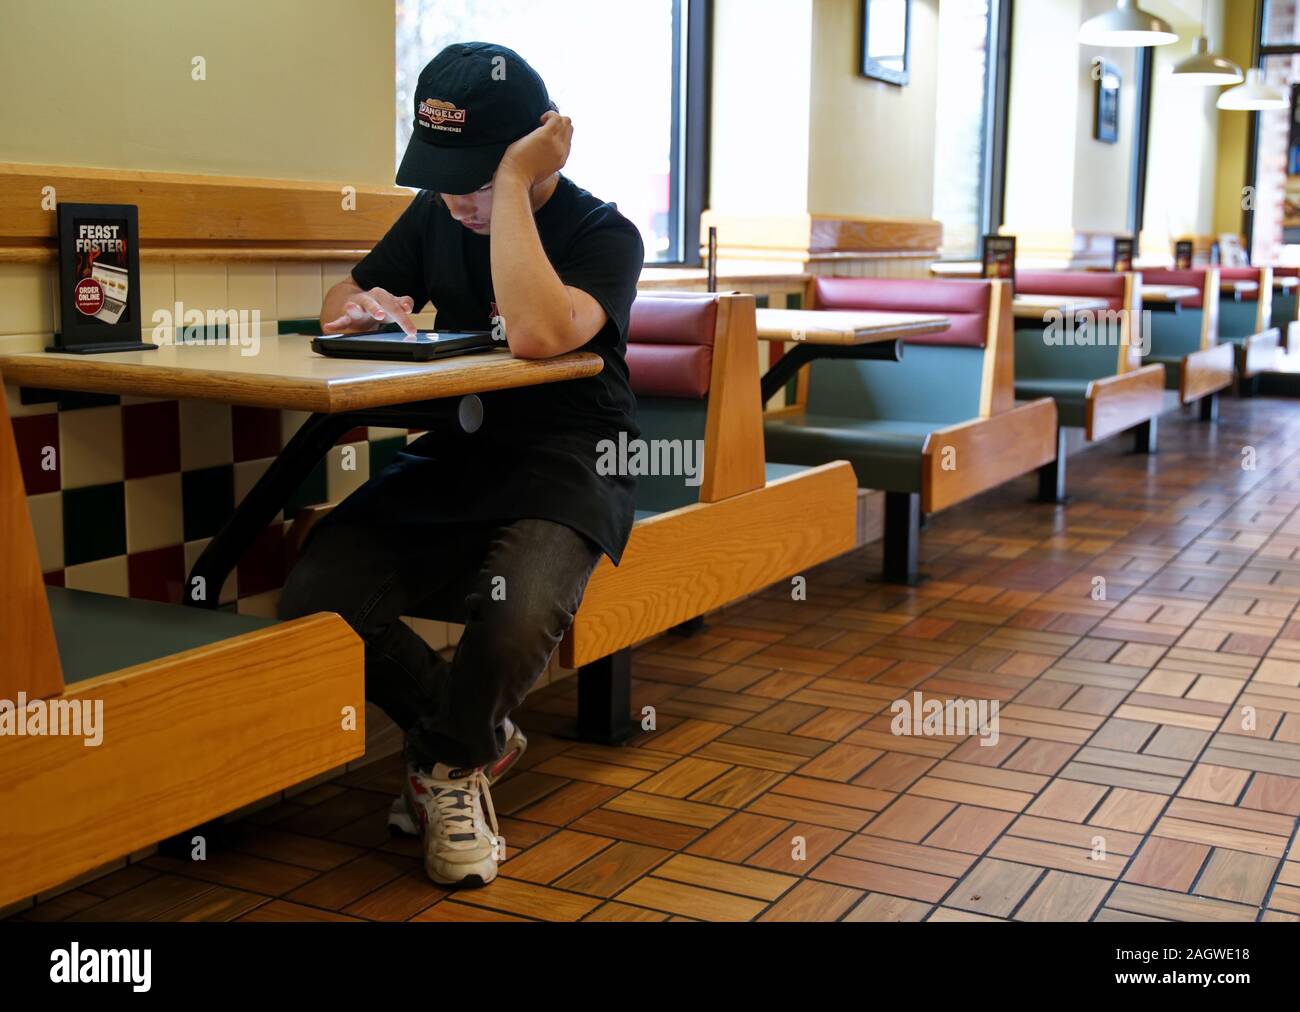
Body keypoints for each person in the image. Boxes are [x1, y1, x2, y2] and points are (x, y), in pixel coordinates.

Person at [278, 41, 644, 887]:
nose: (457, 200)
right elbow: (342, 298)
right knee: (316, 596)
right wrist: (363, 307)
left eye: (477, 176)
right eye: (445, 175)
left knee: (515, 616)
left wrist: (511, 187)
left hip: (572, 460)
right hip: (461, 453)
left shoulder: (603, 234)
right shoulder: (440, 212)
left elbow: (538, 334)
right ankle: (469, 742)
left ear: (537, 148)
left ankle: (445, 773)